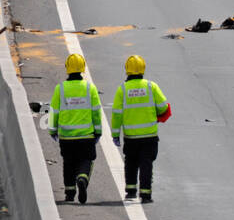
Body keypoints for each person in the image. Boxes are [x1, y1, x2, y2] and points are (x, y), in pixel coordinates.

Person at [110, 54, 171, 204]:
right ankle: (146, 194)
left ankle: (131, 191)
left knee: (130, 162)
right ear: (143, 68)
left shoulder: (122, 90)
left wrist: (115, 134)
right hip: (149, 135)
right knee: (146, 164)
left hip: (131, 137)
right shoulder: (151, 86)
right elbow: (163, 106)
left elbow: (117, 114)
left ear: (127, 70)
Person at [48, 53, 103, 204]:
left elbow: (54, 111)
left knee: (68, 162)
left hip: (67, 137)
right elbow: (96, 112)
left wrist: (52, 130)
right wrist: (98, 131)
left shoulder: (61, 89)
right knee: (86, 159)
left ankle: (70, 192)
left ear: (67, 68)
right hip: (86, 136)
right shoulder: (89, 88)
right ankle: (82, 178)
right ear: (83, 68)